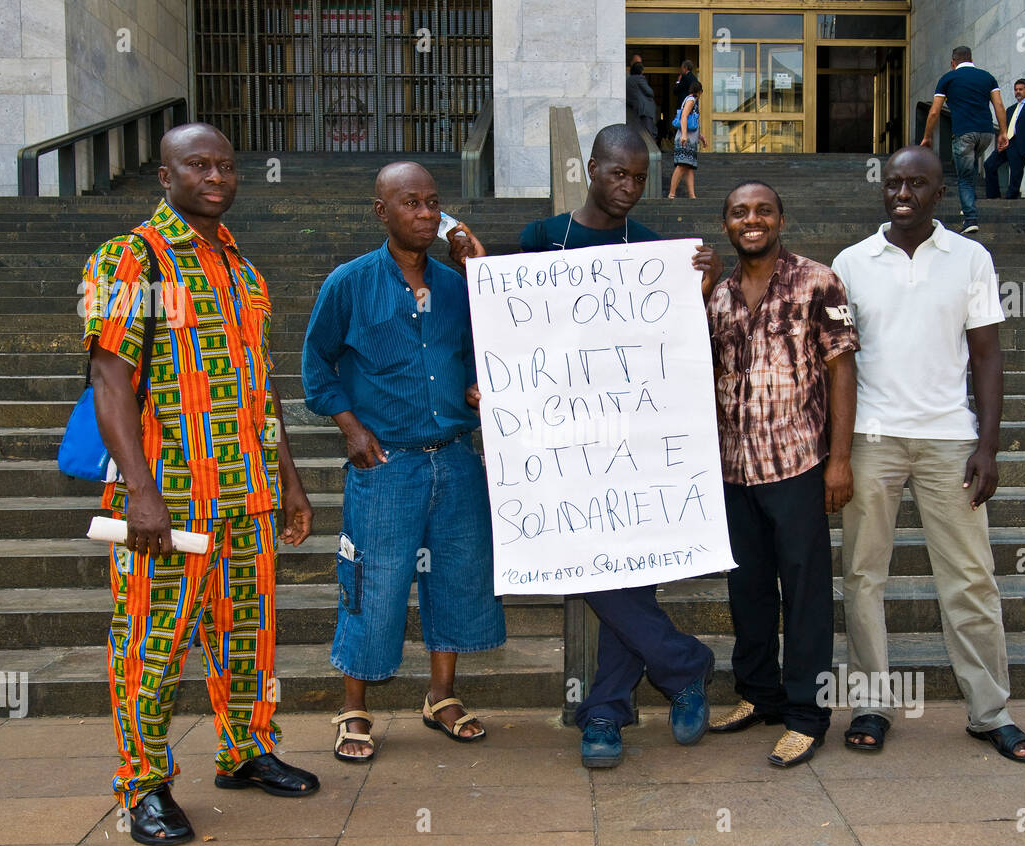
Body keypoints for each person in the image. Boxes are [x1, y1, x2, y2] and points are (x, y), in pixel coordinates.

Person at [83, 123, 319, 846]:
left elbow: (261, 388)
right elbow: (109, 380)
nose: (215, 176)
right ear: (165, 176)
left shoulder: (244, 271)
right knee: (151, 648)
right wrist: (142, 492)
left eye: (225, 164)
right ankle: (143, 786)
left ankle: (244, 752)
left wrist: (289, 482)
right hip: (171, 501)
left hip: (247, 495)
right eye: (197, 164)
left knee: (247, 639)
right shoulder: (133, 260)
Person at [518, 124, 724, 769]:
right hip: (564, 432)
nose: (630, 187)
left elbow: (679, 342)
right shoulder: (542, 239)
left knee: (629, 571)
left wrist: (700, 289)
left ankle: (604, 713)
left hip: (640, 434)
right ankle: (683, 665)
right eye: (618, 173)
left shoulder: (657, 249)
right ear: (591, 167)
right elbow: (516, 333)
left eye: (639, 176)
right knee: (589, 564)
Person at [830, 145, 1025, 763]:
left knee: (972, 577)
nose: (903, 192)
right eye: (894, 182)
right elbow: (838, 359)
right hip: (872, 438)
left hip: (951, 439)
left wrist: (988, 444)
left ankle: (989, 712)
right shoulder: (851, 262)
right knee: (865, 576)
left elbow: (987, 354)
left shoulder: (970, 258)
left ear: (939, 193)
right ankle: (871, 703)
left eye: (916, 183)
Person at [302, 162, 505, 762]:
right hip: (386, 465)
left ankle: (440, 697)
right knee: (373, 581)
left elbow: (488, 348)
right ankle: (355, 708)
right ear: (381, 211)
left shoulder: (456, 286)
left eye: (432, 204)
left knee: (457, 578)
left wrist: (477, 386)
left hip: (455, 459)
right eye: (409, 203)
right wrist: (351, 429)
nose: (423, 214)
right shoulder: (349, 283)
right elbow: (317, 365)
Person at [706, 181, 859, 767]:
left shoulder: (820, 281)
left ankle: (806, 715)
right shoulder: (715, 297)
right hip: (732, 470)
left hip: (796, 464)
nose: (752, 220)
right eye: (740, 212)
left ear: (781, 218)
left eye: (763, 211)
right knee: (746, 590)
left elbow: (843, 370)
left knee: (805, 596)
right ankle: (758, 695)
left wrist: (838, 459)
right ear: (726, 225)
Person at [921, 45, 1009, 234]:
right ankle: (968, 205)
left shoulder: (948, 78)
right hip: (985, 134)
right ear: (971, 58)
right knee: (970, 169)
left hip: (964, 133)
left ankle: (970, 218)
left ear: (953, 62)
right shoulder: (987, 77)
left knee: (965, 179)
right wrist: (1003, 132)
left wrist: (927, 136)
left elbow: (935, 111)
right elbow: (999, 104)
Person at [984, 79, 1025, 200]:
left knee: (1015, 173)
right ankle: (993, 196)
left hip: (1021, 143)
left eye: (1021, 89)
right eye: (1016, 89)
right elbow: (1004, 126)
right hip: (1007, 143)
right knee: (989, 164)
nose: (1018, 92)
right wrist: (1001, 140)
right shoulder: (1010, 109)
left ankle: (1010, 199)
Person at [668, 78, 707, 200]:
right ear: (699, 91)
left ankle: (692, 195)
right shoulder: (691, 100)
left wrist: (700, 136)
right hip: (686, 139)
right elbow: (684, 116)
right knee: (681, 166)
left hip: (691, 138)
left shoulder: (688, 99)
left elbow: (691, 121)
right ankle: (671, 194)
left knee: (688, 167)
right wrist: (684, 134)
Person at [626, 62, 658, 138]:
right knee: (648, 134)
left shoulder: (628, 80)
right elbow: (650, 92)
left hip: (635, 109)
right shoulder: (639, 78)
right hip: (644, 109)